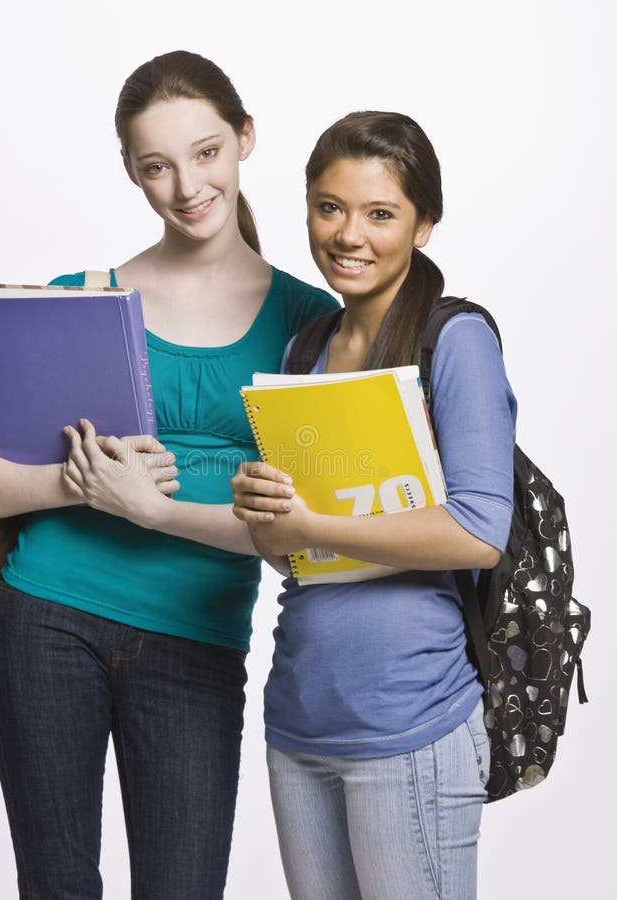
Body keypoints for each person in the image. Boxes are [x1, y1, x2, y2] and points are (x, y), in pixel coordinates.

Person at [0, 50, 338, 900]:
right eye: (157, 165)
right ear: (131, 173)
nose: (187, 185)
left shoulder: (311, 324)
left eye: (206, 152)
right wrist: (77, 487)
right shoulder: (82, 300)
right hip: (46, 619)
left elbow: (298, 538)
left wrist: (149, 509)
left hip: (196, 640)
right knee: (57, 884)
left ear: (244, 140)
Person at [231, 111, 517, 899]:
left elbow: (478, 529)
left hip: (411, 722)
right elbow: (296, 552)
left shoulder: (452, 340)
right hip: (301, 718)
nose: (348, 234)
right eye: (329, 207)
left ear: (424, 225)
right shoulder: (305, 349)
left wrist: (309, 523)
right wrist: (262, 512)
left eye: (379, 213)